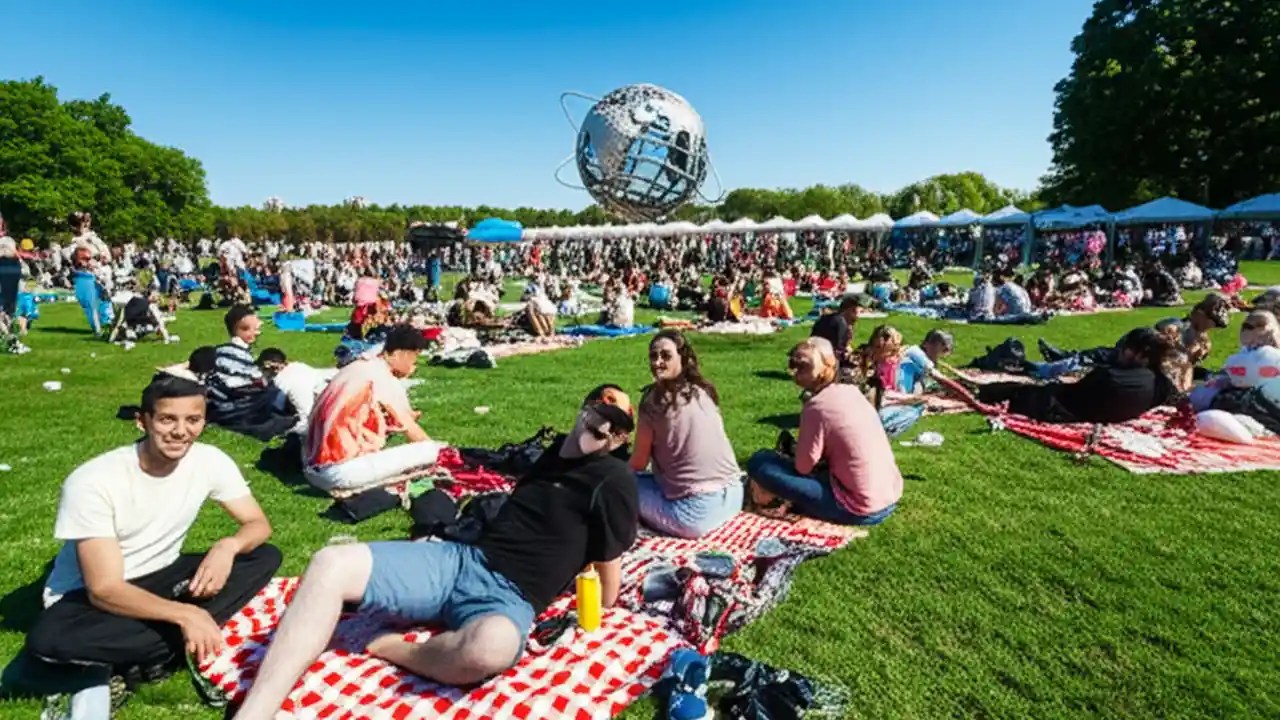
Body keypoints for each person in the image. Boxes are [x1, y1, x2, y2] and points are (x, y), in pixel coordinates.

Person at [231, 386, 640, 719]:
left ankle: (393, 648)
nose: (602, 425)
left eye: (616, 426)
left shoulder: (613, 479)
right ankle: (257, 710)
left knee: (490, 648)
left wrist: (601, 606)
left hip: (509, 598)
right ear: (584, 408)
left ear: (622, 438)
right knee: (331, 564)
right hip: (461, 561)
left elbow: (610, 557)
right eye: (599, 411)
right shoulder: (555, 455)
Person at [21, 376, 280, 718]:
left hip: (161, 574)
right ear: (142, 421)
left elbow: (258, 525)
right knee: (50, 638)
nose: (180, 431)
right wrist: (187, 613)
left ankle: (137, 655)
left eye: (193, 420)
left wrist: (228, 546)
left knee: (264, 555)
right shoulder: (93, 481)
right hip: (86, 601)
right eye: (167, 419)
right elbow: (103, 589)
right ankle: (164, 649)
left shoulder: (209, 460)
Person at [744, 338, 902, 526]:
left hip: (859, 508)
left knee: (760, 461)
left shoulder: (816, 407)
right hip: (889, 496)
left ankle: (781, 499)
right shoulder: (852, 392)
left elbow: (803, 467)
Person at [629, 331, 742, 538]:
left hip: (695, 515)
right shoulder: (703, 391)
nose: (657, 362)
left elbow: (637, 463)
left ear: (682, 358)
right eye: (653, 356)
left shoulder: (653, 402)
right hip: (734, 496)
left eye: (666, 356)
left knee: (616, 482)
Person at [303, 324, 440, 494]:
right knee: (431, 450)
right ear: (397, 354)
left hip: (312, 466)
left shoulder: (359, 366)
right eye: (413, 359)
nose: (414, 366)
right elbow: (412, 430)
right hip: (340, 472)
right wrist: (444, 455)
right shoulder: (381, 376)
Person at [947, 327, 1178, 424]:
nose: (1120, 353)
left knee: (1011, 390)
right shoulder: (1161, 384)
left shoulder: (1109, 376)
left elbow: (1071, 394)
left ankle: (965, 391)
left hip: (1064, 410)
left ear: (1138, 353)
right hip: (1099, 414)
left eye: (1125, 349)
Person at [204, 305, 295, 439]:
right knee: (275, 391)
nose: (258, 333)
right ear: (243, 330)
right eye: (255, 330)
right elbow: (244, 384)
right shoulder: (235, 352)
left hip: (218, 406)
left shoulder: (221, 350)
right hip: (230, 409)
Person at [257, 348, 338, 434]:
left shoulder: (291, 381)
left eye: (263, 370)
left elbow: (308, 420)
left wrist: (289, 432)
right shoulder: (295, 368)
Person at [810, 295, 860, 371]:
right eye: (858, 312)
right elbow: (839, 351)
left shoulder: (829, 318)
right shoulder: (840, 323)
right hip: (823, 361)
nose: (858, 316)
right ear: (851, 310)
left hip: (814, 355)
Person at [896, 329, 955, 393]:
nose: (941, 356)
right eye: (941, 349)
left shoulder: (920, 354)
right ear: (926, 344)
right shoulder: (917, 354)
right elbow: (937, 376)